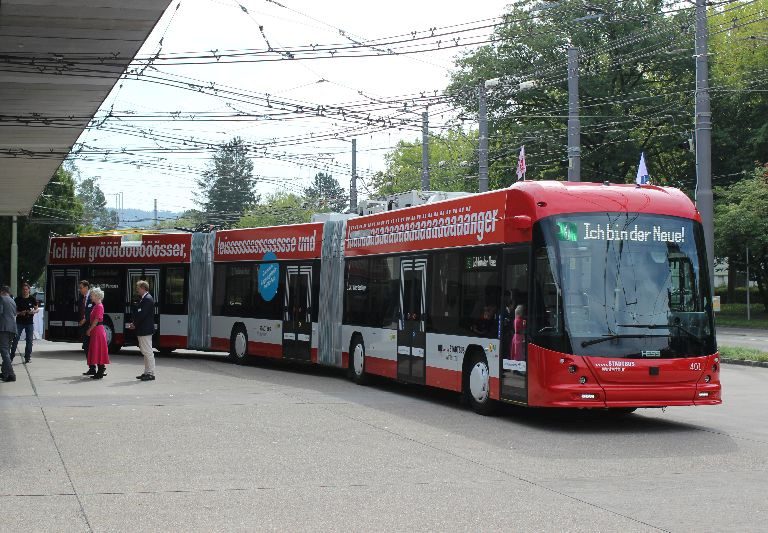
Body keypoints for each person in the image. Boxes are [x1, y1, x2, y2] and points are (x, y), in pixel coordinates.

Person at [127, 280, 156, 381]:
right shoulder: (145, 299)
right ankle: (147, 372)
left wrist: (134, 324)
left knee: (148, 352)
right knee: (145, 352)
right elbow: (140, 314)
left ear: (143, 288)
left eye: (138, 288)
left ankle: (151, 373)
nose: (137, 290)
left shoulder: (147, 299)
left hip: (145, 330)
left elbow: (142, 315)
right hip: (143, 329)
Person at [11, 282, 39, 364]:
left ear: (29, 290)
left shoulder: (32, 299)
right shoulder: (17, 299)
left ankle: (27, 357)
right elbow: (14, 311)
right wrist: (20, 313)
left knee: (29, 340)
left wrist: (33, 312)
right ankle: (11, 356)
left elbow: (37, 309)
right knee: (15, 339)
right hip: (19, 322)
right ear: (21, 290)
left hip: (29, 322)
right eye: (23, 289)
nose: (25, 291)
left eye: (26, 289)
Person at [85, 287, 109, 380]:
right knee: (97, 350)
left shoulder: (99, 306)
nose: (91, 296)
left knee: (98, 350)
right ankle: (100, 369)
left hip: (97, 330)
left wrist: (89, 329)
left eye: (92, 295)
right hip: (97, 330)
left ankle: (101, 370)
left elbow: (96, 320)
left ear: (96, 296)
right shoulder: (96, 305)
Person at [78, 280, 96, 375]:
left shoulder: (92, 296)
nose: (80, 290)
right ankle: (91, 367)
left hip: (91, 326)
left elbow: (92, 311)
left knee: (93, 347)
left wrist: (85, 319)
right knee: (86, 346)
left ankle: (99, 367)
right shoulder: (82, 298)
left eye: (81, 288)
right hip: (84, 326)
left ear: (86, 287)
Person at [0, 285, 18, 382]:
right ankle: (5, 373)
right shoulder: (12, 300)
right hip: (12, 328)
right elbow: (14, 313)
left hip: (4, 328)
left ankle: (11, 374)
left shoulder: (1, 299)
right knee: (6, 350)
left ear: (2, 292)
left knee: (4, 351)